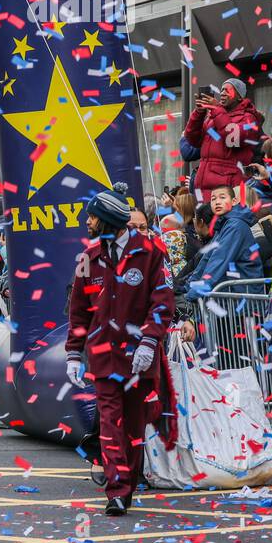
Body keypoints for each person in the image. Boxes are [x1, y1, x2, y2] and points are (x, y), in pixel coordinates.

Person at [66, 183, 177, 516]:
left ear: (108, 220)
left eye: (93, 218)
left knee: (133, 423)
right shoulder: (88, 258)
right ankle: (117, 490)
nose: (88, 223)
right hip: (103, 357)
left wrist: (149, 339)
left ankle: (128, 477)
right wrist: (74, 352)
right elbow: (78, 309)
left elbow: (163, 300)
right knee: (110, 421)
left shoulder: (152, 252)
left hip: (139, 358)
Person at [182, 78, 263, 199]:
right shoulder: (213, 117)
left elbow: (233, 140)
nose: (223, 93)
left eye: (228, 90)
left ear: (240, 97)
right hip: (204, 189)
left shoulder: (249, 118)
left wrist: (216, 109)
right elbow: (193, 139)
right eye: (222, 90)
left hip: (228, 189)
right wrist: (199, 112)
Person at [184, 183, 263, 297]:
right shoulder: (223, 225)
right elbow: (206, 259)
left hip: (243, 299)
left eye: (222, 197)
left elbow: (219, 261)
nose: (217, 202)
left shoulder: (235, 225)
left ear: (234, 201)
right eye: (213, 199)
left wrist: (194, 293)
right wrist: (188, 286)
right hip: (231, 295)